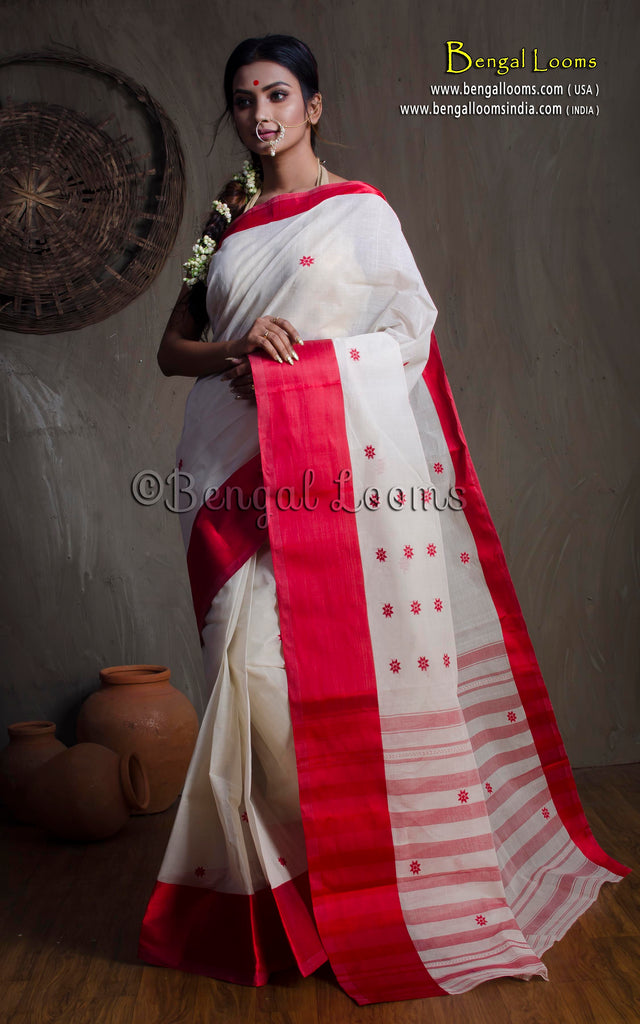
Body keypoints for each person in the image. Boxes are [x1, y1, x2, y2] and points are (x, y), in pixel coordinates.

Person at [137, 34, 627, 1006]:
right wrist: (239, 350)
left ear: (313, 106)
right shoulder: (225, 222)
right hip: (229, 477)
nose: (260, 114)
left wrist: (302, 376)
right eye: (243, 100)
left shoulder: (362, 212)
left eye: (278, 95)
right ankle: (287, 899)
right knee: (247, 673)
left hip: (331, 470)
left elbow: (407, 336)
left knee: (314, 681)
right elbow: (170, 350)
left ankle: (356, 886)